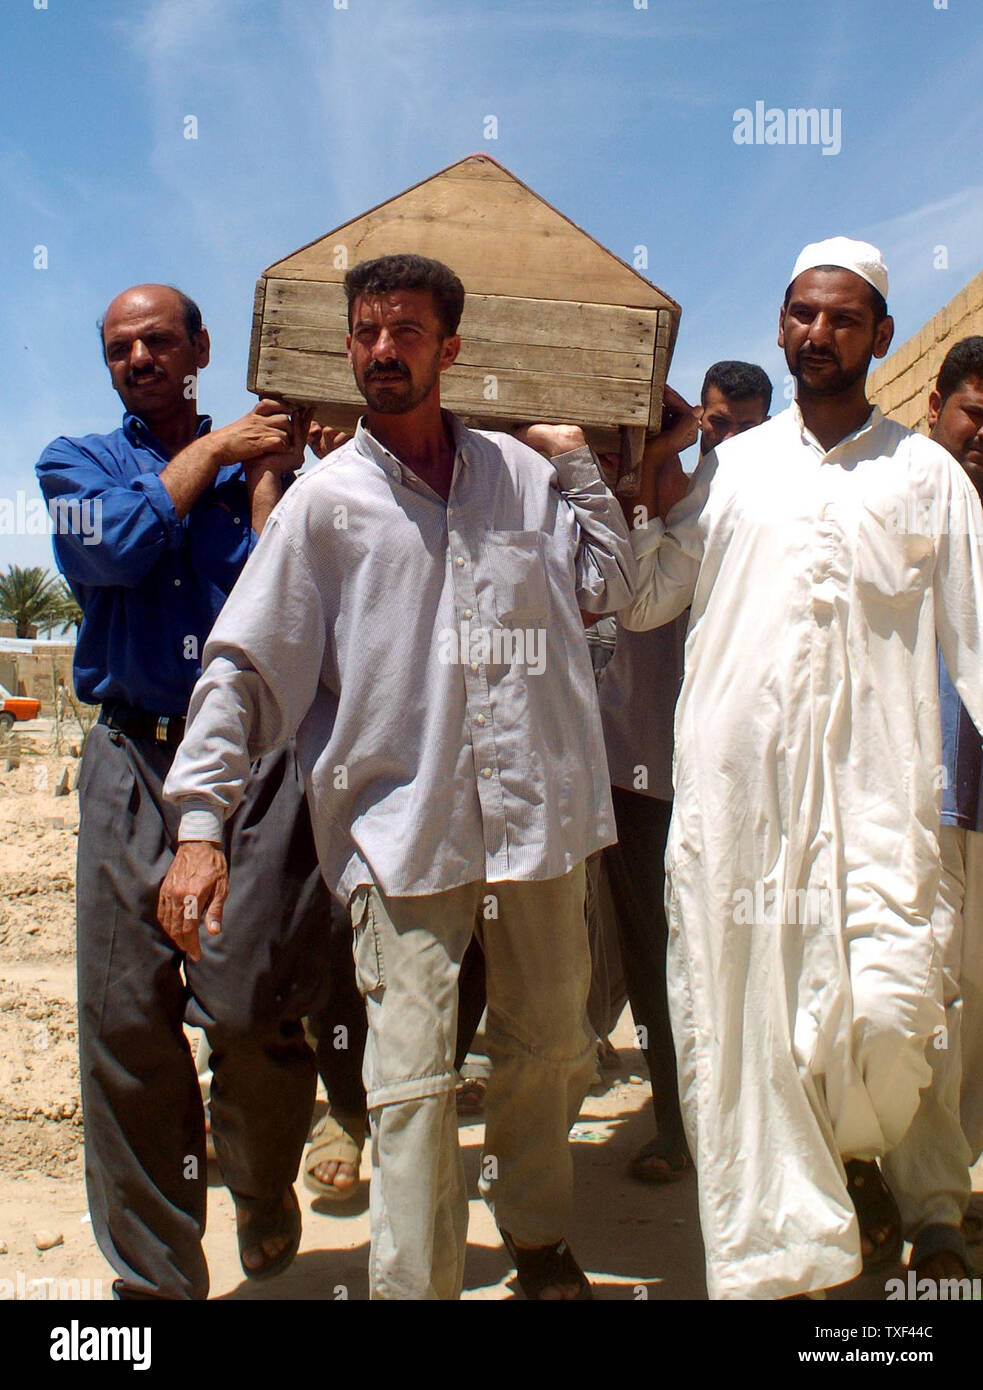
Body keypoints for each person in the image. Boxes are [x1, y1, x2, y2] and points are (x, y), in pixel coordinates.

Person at [157, 252, 636, 1300]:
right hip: (402, 832)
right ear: (349, 347)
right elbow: (244, 667)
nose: (382, 350)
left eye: (405, 331)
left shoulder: (520, 477)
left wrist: (579, 462)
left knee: (549, 1045)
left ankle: (539, 1231)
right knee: (411, 1083)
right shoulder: (324, 507)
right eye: (366, 333)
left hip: (540, 828)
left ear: (448, 349)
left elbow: (610, 587)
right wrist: (199, 824)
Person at [620, 236, 983, 1299]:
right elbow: (646, 601)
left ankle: (874, 1167)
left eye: (839, 317)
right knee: (742, 1020)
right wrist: (648, 490)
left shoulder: (923, 477)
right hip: (738, 807)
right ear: (779, 327)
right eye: (798, 315)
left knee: (888, 1012)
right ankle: (777, 1249)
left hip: (878, 798)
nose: (814, 333)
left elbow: (973, 639)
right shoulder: (731, 467)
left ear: (878, 332)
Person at [35, 284, 344, 1299]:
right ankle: (155, 1277)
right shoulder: (75, 463)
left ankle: (258, 1185)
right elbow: (107, 548)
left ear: (199, 347)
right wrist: (213, 457)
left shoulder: (272, 464)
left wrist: (267, 487)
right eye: (120, 345)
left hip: (250, 766)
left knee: (252, 1002)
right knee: (125, 1019)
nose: (139, 358)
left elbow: (288, 605)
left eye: (158, 340)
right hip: (130, 757)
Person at [600, 363, 772, 1184]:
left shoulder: (757, 505)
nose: (723, 441)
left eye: (742, 427)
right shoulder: (648, 493)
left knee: (742, 949)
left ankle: (748, 1124)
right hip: (638, 774)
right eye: (712, 425)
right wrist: (656, 463)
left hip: (734, 773)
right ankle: (676, 1125)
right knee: (653, 955)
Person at [881, 336, 983, 1282]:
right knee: (924, 1000)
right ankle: (932, 1210)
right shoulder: (895, 508)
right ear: (936, 412)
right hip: (921, 795)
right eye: (975, 416)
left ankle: (944, 1179)